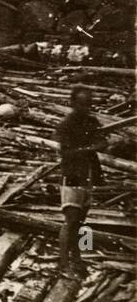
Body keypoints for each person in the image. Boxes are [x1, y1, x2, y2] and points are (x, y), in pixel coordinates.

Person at [56, 85, 103, 276]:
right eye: (83, 104)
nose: (86, 107)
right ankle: (63, 264)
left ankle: (77, 258)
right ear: (74, 103)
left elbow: (102, 142)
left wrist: (98, 145)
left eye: (89, 104)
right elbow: (64, 152)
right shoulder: (67, 124)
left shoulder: (91, 121)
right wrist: (88, 149)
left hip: (88, 175)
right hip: (72, 175)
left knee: (81, 221)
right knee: (71, 220)